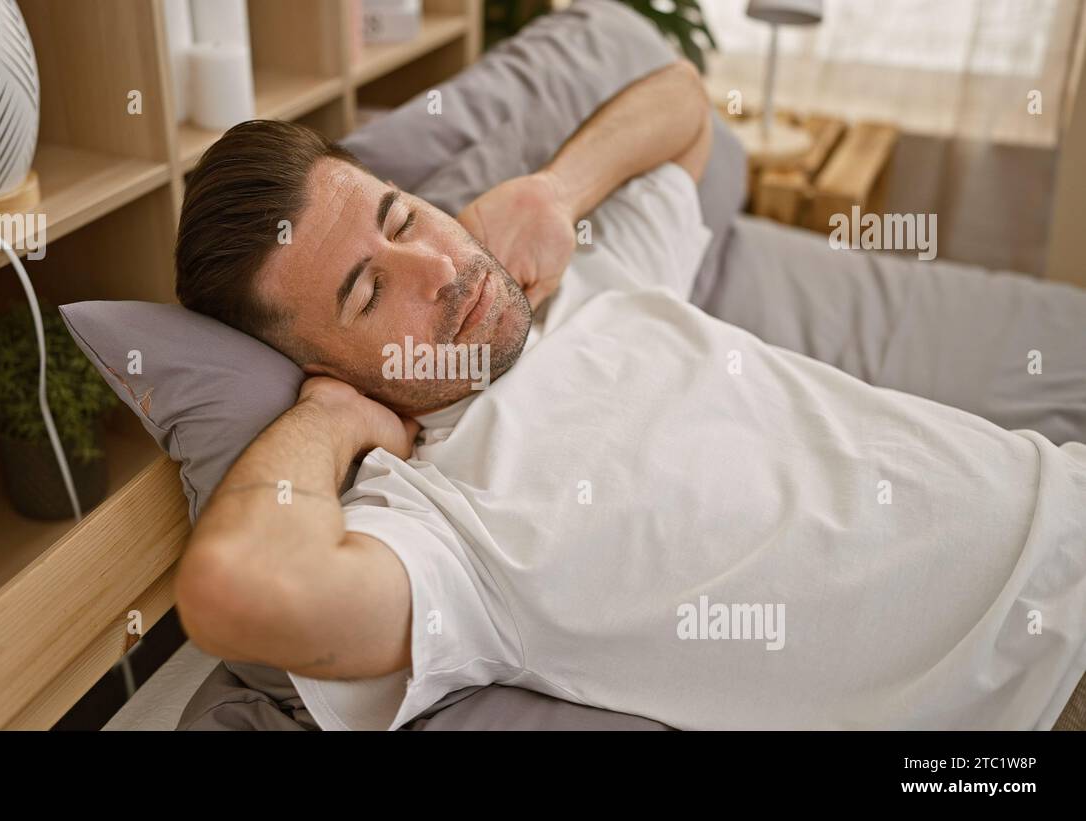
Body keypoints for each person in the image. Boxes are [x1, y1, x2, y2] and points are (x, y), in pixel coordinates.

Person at [171, 60, 1086, 730]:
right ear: (324, 367)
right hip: (1038, 691)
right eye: (368, 293)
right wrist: (329, 422)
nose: (438, 269)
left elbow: (684, 102)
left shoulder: (586, 278)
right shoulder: (440, 523)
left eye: (404, 215)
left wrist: (554, 191)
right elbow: (237, 593)